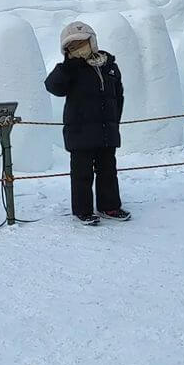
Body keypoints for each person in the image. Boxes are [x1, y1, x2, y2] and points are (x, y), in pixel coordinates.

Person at [44, 21, 131, 226]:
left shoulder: (110, 66)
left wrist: (113, 122)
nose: (78, 48)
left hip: (106, 130)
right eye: (72, 46)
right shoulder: (70, 70)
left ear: (92, 41)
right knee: (81, 173)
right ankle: (82, 210)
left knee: (108, 170)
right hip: (80, 131)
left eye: (82, 43)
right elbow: (53, 86)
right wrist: (68, 65)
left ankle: (109, 206)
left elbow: (118, 96)